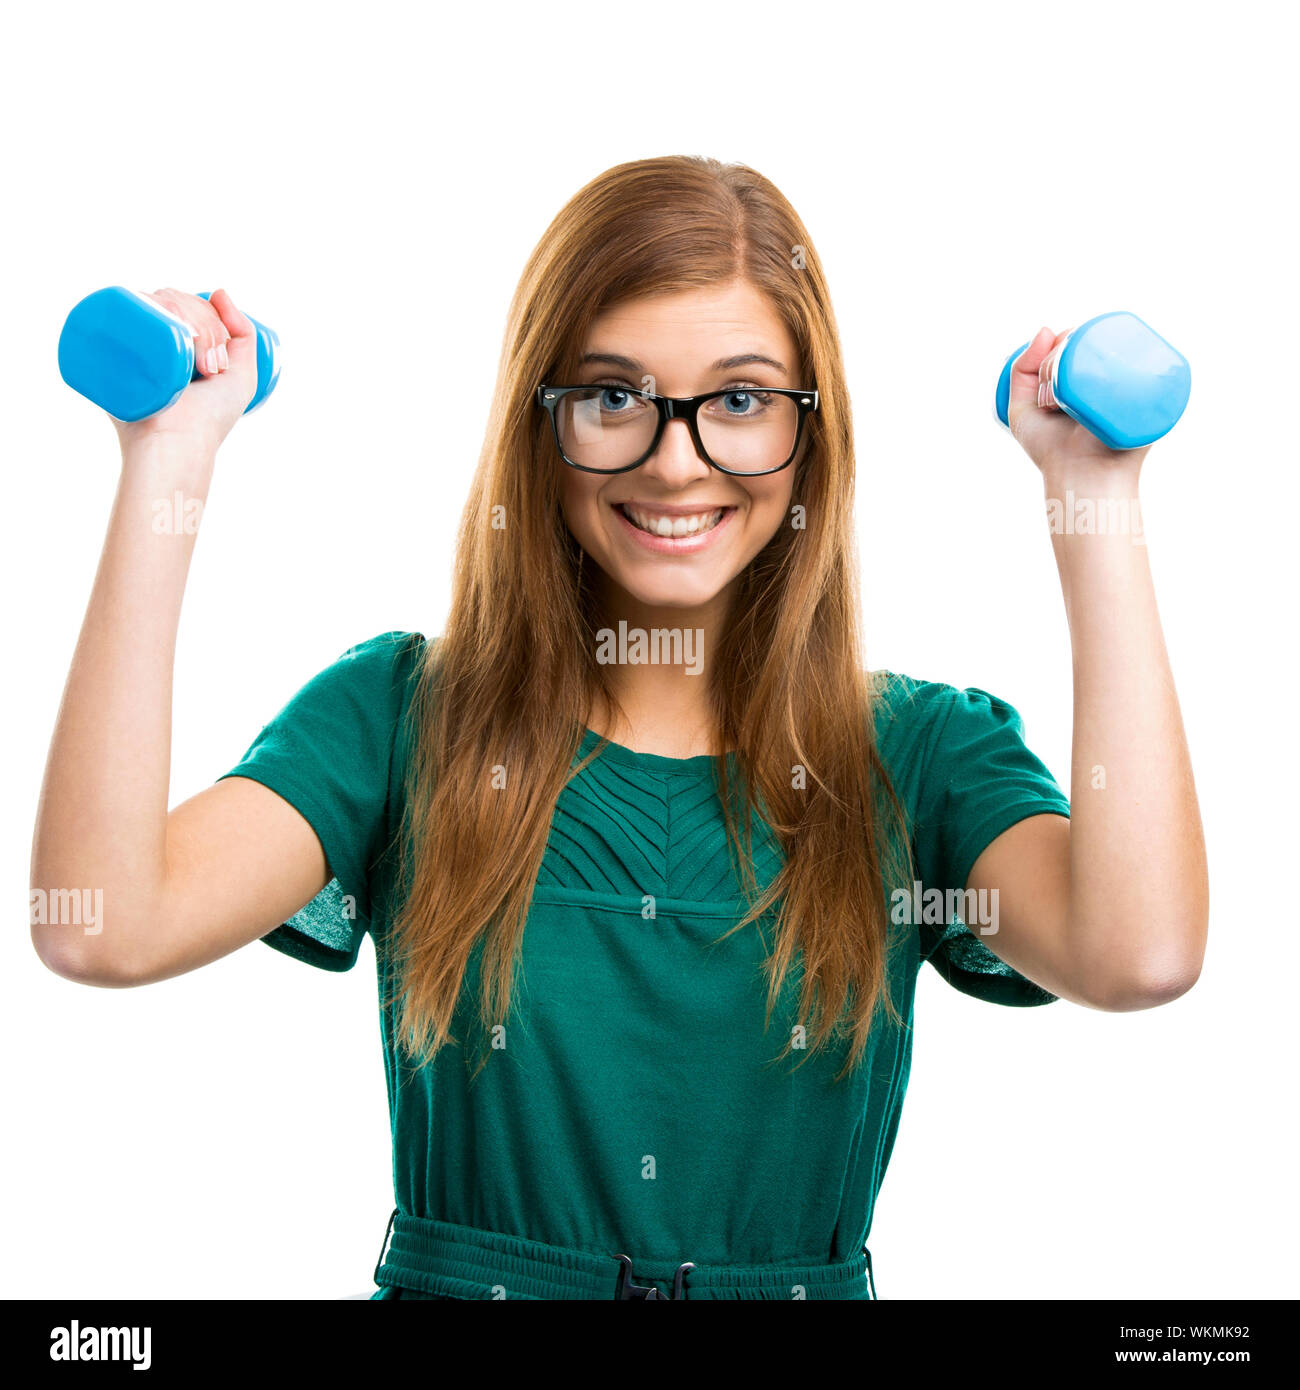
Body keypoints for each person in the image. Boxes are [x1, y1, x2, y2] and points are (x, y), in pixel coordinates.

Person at [31, 155, 1208, 1300]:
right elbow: (103, 926)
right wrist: (167, 464)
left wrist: (1092, 496)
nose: (676, 457)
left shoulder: (915, 755)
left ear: (812, 434)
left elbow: (1138, 953)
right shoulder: (401, 719)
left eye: (739, 401)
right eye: (611, 397)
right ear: (539, 424)